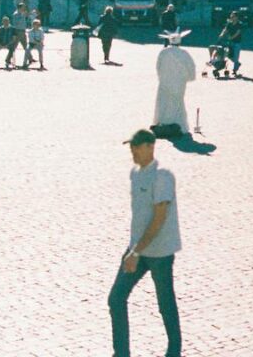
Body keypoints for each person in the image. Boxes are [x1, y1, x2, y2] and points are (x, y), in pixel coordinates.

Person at [109, 128, 182, 357]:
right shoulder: (135, 173)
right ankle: (121, 353)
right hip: (137, 250)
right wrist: (133, 249)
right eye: (131, 147)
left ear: (151, 146)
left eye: (136, 147)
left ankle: (174, 350)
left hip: (159, 253)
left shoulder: (163, 177)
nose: (132, 151)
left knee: (165, 305)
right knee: (116, 298)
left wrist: (136, 251)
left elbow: (159, 218)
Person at [155, 31, 197, 134]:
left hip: (165, 82)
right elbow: (191, 67)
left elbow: (158, 67)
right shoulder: (184, 53)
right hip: (179, 83)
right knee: (177, 103)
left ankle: (162, 122)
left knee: (163, 102)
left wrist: (161, 77)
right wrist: (189, 78)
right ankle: (178, 124)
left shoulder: (163, 52)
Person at [219, 10, 244, 77]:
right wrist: (222, 34)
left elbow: (238, 32)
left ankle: (235, 70)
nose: (232, 17)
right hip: (230, 42)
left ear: (236, 17)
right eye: (231, 16)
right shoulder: (229, 23)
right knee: (229, 56)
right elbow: (225, 29)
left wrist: (232, 37)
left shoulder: (239, 24)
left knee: (236, 56)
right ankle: (237, 64)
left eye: (233, 16)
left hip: (237, 42)